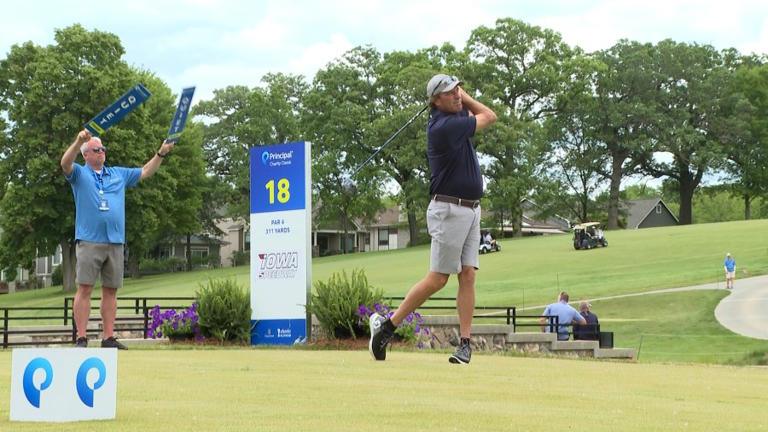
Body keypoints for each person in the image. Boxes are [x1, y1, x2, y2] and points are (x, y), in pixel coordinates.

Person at [368, 74, 496, 364]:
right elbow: (489, 115)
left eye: (458, 90)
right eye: (450, 92)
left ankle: (465, 344)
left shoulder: (454, 115)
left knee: (469, 274)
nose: (457, 95)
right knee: (438, 279)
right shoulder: (444, 126)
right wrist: (467, 97)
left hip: (471, 209)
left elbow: (473, 112)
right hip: (448, 210)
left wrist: (460, 96)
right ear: (435, 101)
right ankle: (388, 327)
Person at [61, 129, 174, 349]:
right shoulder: (80, 174)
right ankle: (82, 338)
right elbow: (65, 163)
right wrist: (77, 141)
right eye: (96, 149)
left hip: (115, 241)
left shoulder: (117, 174)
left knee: (111, 290)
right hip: (89, 240)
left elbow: (144, 171)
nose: (102, 152)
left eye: (103, 149)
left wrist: (160, 154)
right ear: (86, 155)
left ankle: (108, 338)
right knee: (84, 288)